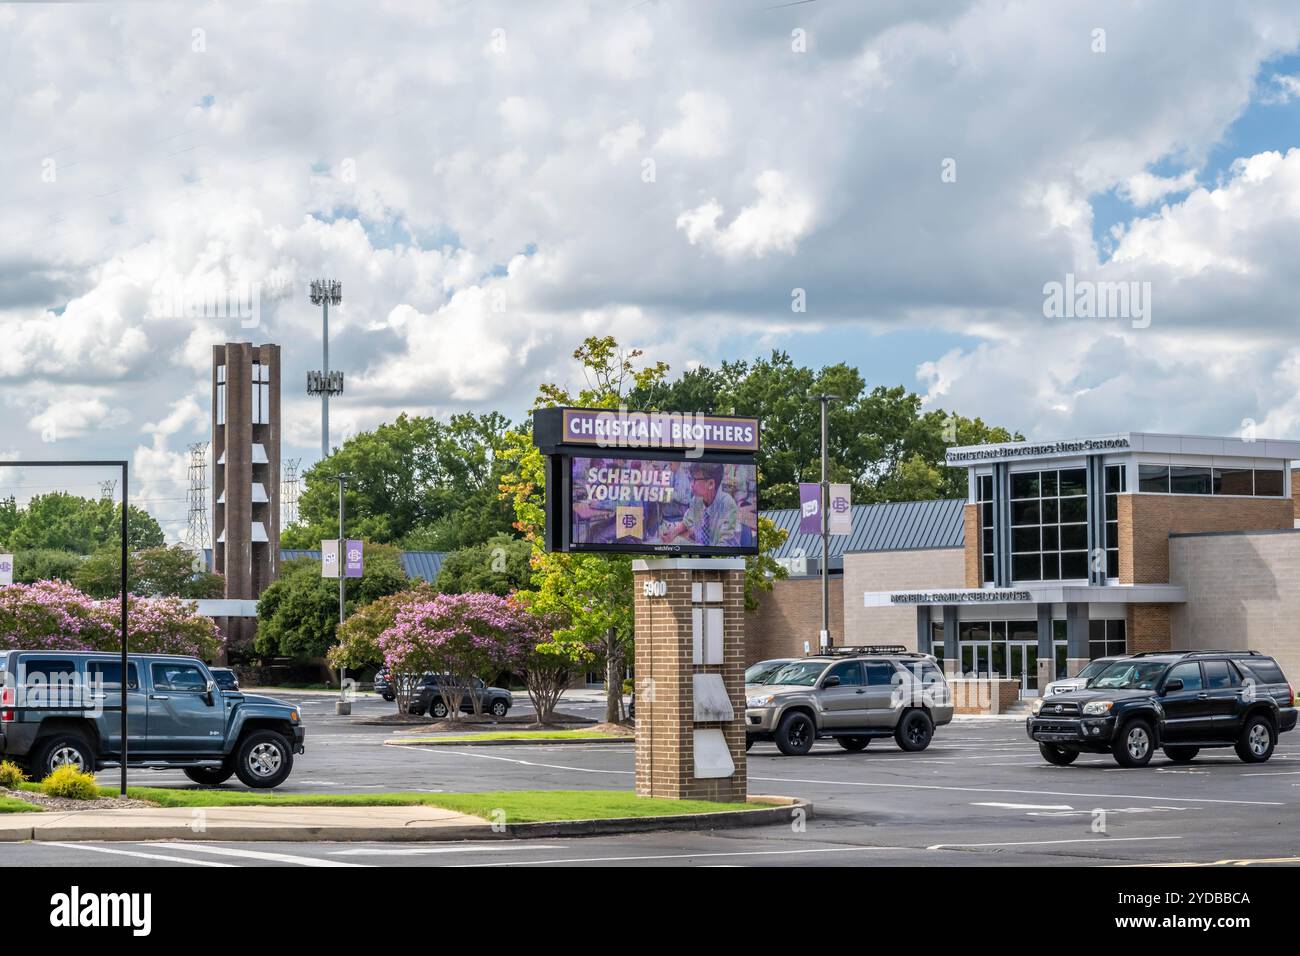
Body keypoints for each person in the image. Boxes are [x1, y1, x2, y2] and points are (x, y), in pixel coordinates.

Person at [662, 462, 740, 547]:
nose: (691, 485)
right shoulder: (696, 500)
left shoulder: (727, 504)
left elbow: (725, 545)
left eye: (695, 480)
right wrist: (672, 534)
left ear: (711, 484)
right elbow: (686, 522)